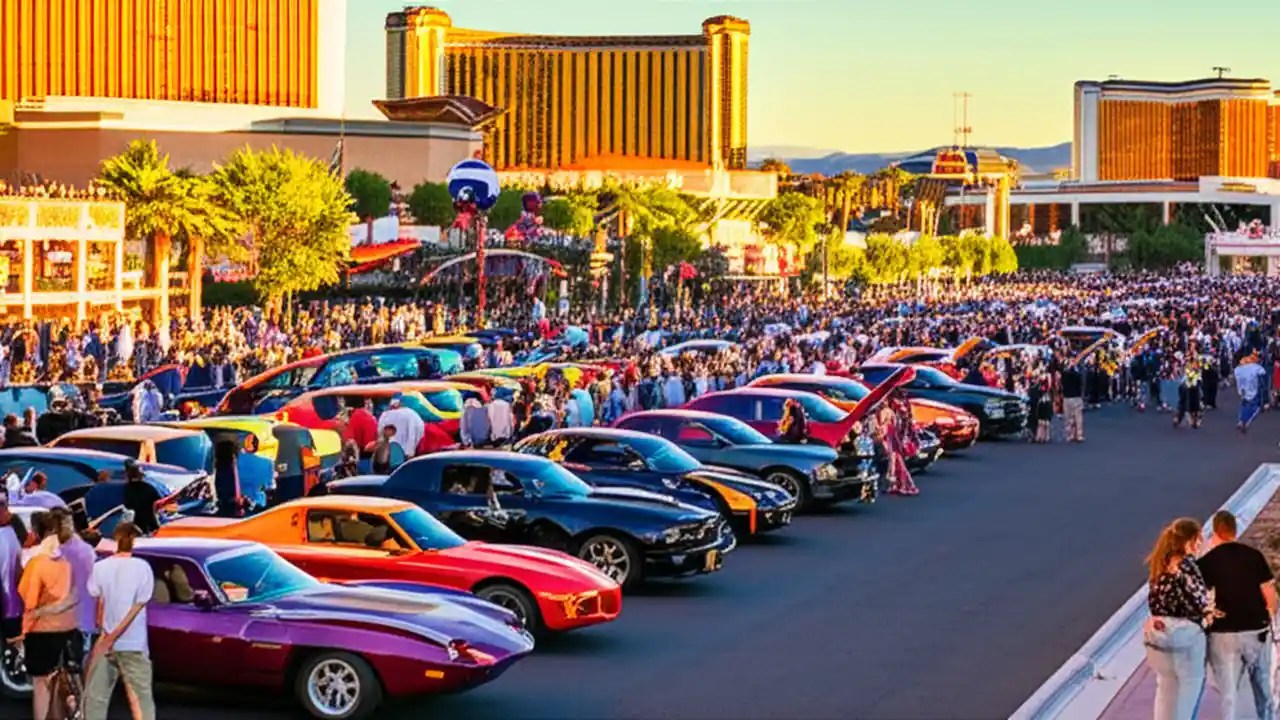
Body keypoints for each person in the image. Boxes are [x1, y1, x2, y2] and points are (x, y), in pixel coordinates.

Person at [1196, 510, 1277, 720]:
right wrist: (1268, 615)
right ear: (1235, 530)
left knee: (1228, 695)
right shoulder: (1254, 556)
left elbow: (1199, 597)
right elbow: (1269, 593)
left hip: (1224, 634)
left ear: (1215, 532)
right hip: (1257, 631)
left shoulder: (1207, 561)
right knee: (1264, 690)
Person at [1144, 518, 1216, 720]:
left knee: (1166, 688)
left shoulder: (1160, 565)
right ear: (1189, 542)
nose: (1201, 544)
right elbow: (1199, 601)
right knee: (1190, 689)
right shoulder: (1186, 566)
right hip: (1185, 634)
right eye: (1199, 539)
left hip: (1157, 633)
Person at [85, 522, 155, 720]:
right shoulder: (143, 568)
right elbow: (137, 606)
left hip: (106, 642)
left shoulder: (100, 568)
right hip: (134, 643)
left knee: (95, 699)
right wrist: (115, 635)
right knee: (141, 701)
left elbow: (99, 602)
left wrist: (105, 636)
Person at [16, 506, 79, 720]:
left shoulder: (37, 563)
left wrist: (22, 632)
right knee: (66, 682)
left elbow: (28, 600)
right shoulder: (71, 560)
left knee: (42, 685)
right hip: (70, 626)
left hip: (43, 630)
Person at [376, 394, 424, 459]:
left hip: (388, 456)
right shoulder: (412, 414)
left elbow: (380, 436)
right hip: (407, 457)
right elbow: (415, 434)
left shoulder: (385, 415)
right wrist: (410, 452)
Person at [121, 459, 161, 535]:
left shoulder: (122, 489)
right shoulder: (150, 488)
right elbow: (158, 505)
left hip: (130, 528)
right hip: (147, 527)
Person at [1234, 350, 1267, 433]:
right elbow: (1263, 372)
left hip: (1241, 389)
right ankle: (1244, 421)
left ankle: (1240, 421)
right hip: (1252, 388)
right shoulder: (1255, 367)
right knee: (1254, 407)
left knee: (1244, 403)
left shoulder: (1238, 368)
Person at [1060, 361, 1085, 443]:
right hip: (1076, 397)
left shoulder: (1064, 375)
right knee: (1078, 417)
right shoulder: (1077, 375)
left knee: (1068, 418)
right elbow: (1081, 382)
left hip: (1067, 398)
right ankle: (1079, 435)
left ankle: (1069, 435)